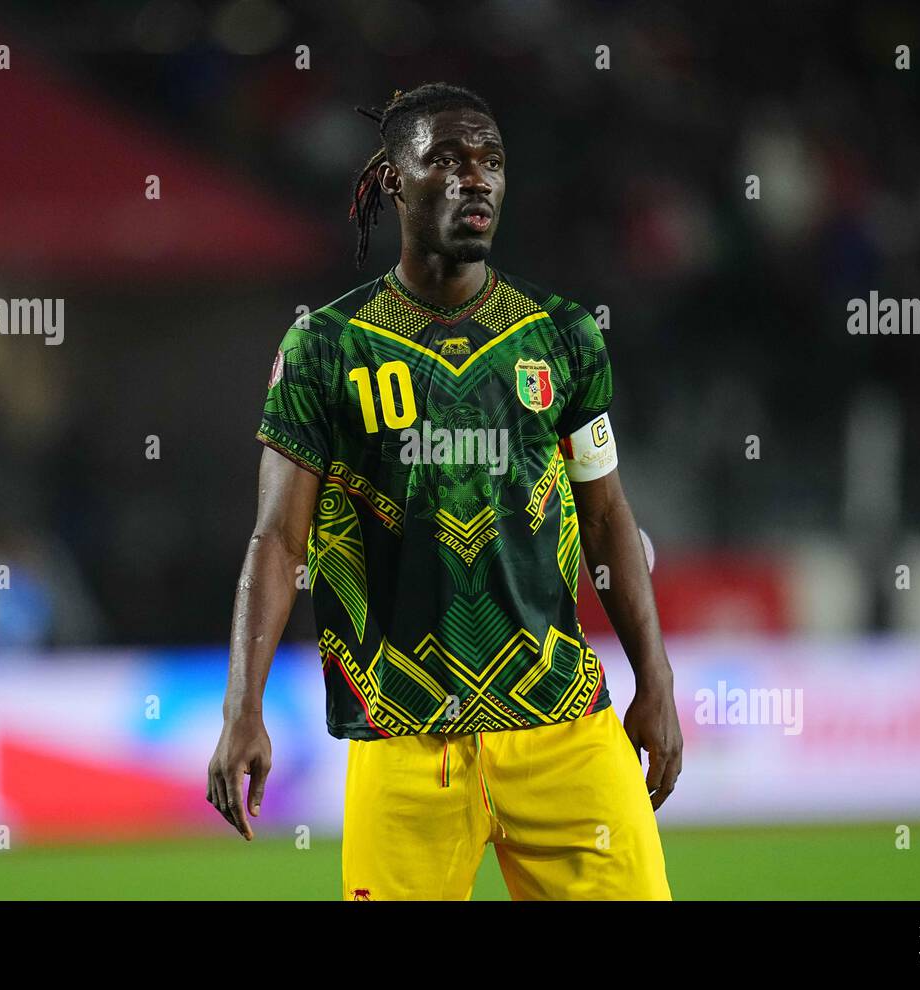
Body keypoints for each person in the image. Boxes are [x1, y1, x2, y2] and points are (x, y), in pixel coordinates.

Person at [208, 83, 681, 900]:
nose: (477, 178)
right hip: (404, 741)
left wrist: (657, 686)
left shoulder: (562, 335)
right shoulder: (326, 348)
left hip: (565, 729)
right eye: (448, 159)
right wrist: (240, 709)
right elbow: (278, 542)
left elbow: (606, 515)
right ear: (394, 181)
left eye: (492, 161)